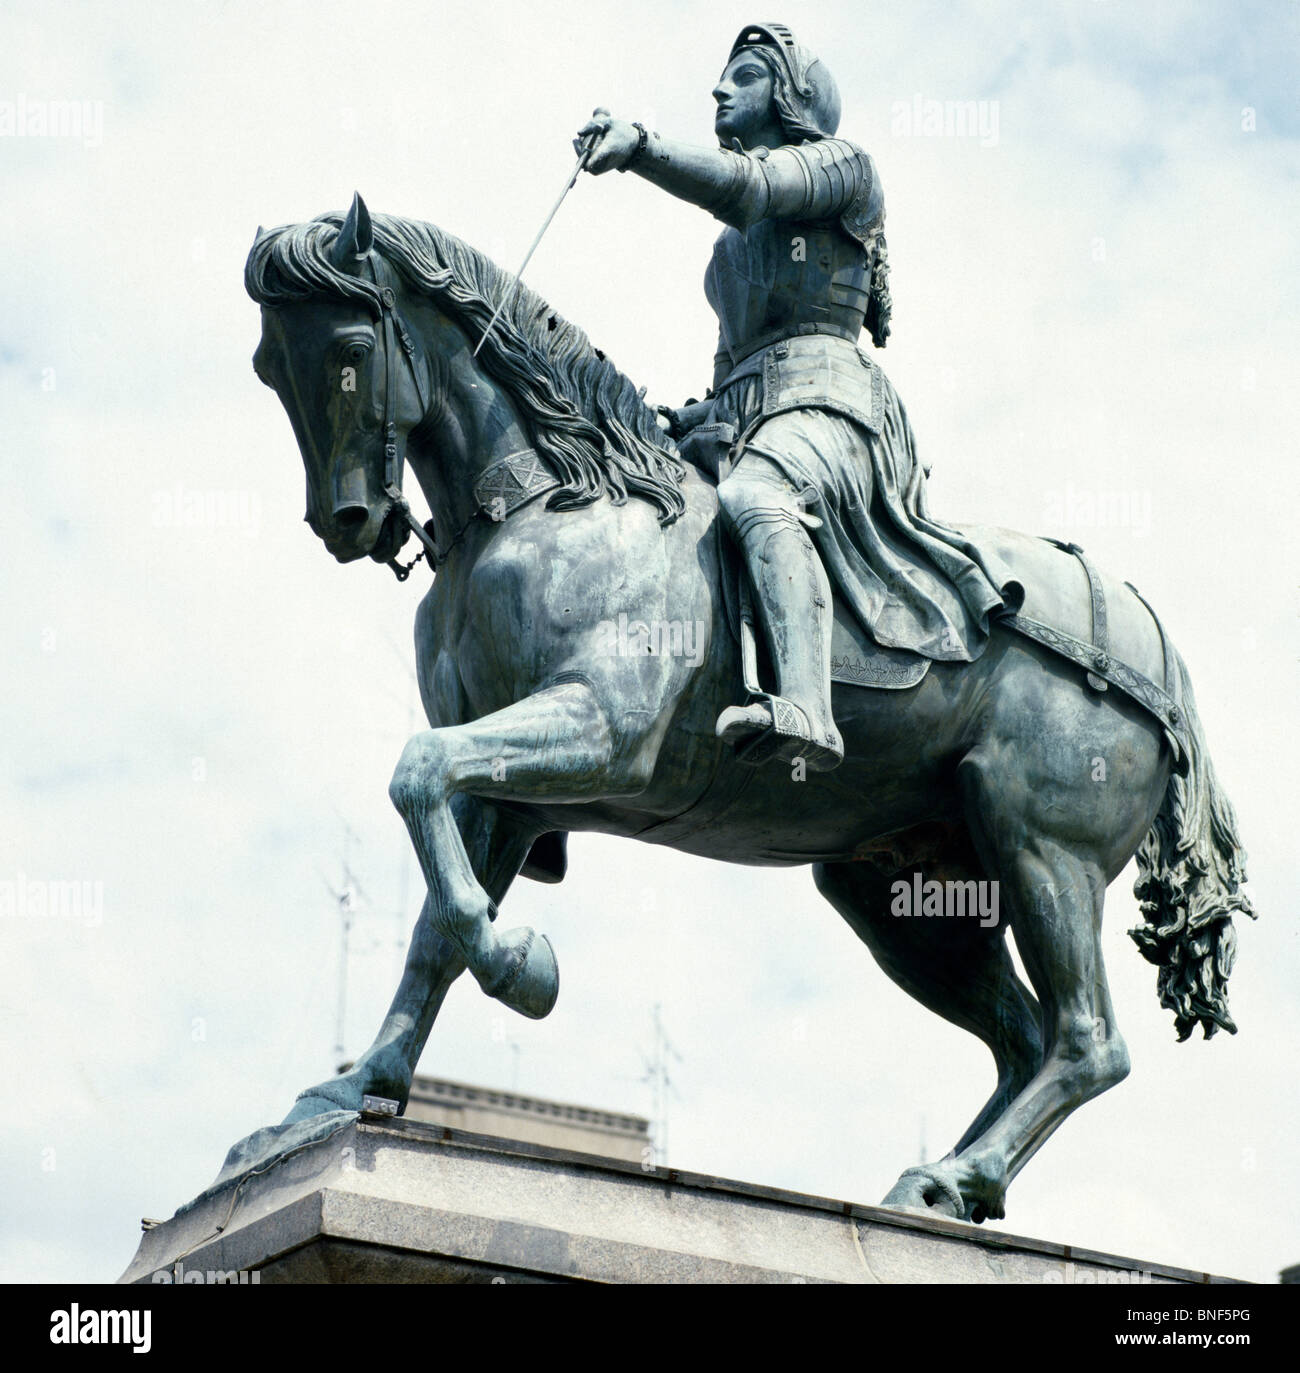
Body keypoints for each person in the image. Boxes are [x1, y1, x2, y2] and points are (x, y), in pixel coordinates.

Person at [576, 22, 1012, 771]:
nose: (720, 88)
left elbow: (752, 190)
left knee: (756, 494)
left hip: (833, 408)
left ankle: (809, 708)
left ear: (791, 95)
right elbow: (728, 369)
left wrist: (642, 146)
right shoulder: (727, 256)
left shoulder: (843, 169)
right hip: (745, 419)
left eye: (744, 76)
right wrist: (684, 420)